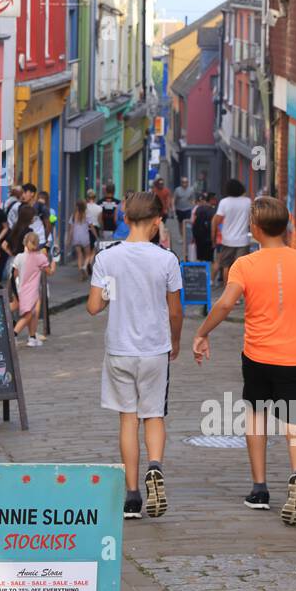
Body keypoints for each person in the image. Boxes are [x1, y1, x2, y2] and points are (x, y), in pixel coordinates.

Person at [191, 196, 296, 527]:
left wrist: (202, 332)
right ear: (286, 224)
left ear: (254, 228)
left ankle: (260, 489)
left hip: (258, 356)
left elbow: (224, 305)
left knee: (257, 418)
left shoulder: (244, 265)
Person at [87, 191, 183, 521]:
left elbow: (93, 307)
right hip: (155, 349)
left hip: (119, 349)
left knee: (127, 418)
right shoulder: (167, 260)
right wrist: (176, 341)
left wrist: (113, 291)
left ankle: (131, 496)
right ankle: (154, 466)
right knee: (154, 415)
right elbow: (175, 311)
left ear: (125, 219)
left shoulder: (107, 258)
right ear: (157, 221)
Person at [12, 231, 55, 347]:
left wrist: (12, 291)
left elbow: (14, 275)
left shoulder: (19, 257)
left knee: (32, 314)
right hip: (33, 292)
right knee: (29, 315)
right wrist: (54, 260)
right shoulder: (40, 258)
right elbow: (50, 272)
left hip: (21, 290)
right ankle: (14, 334)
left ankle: (32, 337)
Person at [212, 179, 253, 286]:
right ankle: (238, 294)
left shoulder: (224, 202)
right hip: (243, 240)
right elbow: (251, 219)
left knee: (227, 266)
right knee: (240, 268)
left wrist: (214, 236)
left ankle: (228, 290)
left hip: (227, 240)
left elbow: (217, 220)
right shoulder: (247, 201)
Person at [67, 200, 92, 280]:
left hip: (76, 237)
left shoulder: (73, 216)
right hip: (85, 237)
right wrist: (96, 235)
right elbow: (91, 226)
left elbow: (71, 229)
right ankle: (84, 266)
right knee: (88, 254)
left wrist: (69, 239)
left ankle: (81, 273)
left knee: (79, 255)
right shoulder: (87, 215)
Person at [192, 192, 217, 263]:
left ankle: (201, 271)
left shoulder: (199, 208)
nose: (216, 201)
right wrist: (213, 240)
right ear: (211, 200)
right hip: (208, 238)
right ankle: (208, 272)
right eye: (215, 199)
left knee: (200, 257)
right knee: (209, 259)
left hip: (198, 236)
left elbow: (194, 222)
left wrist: (193, 236)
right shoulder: (213, 211)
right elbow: (213, 227)